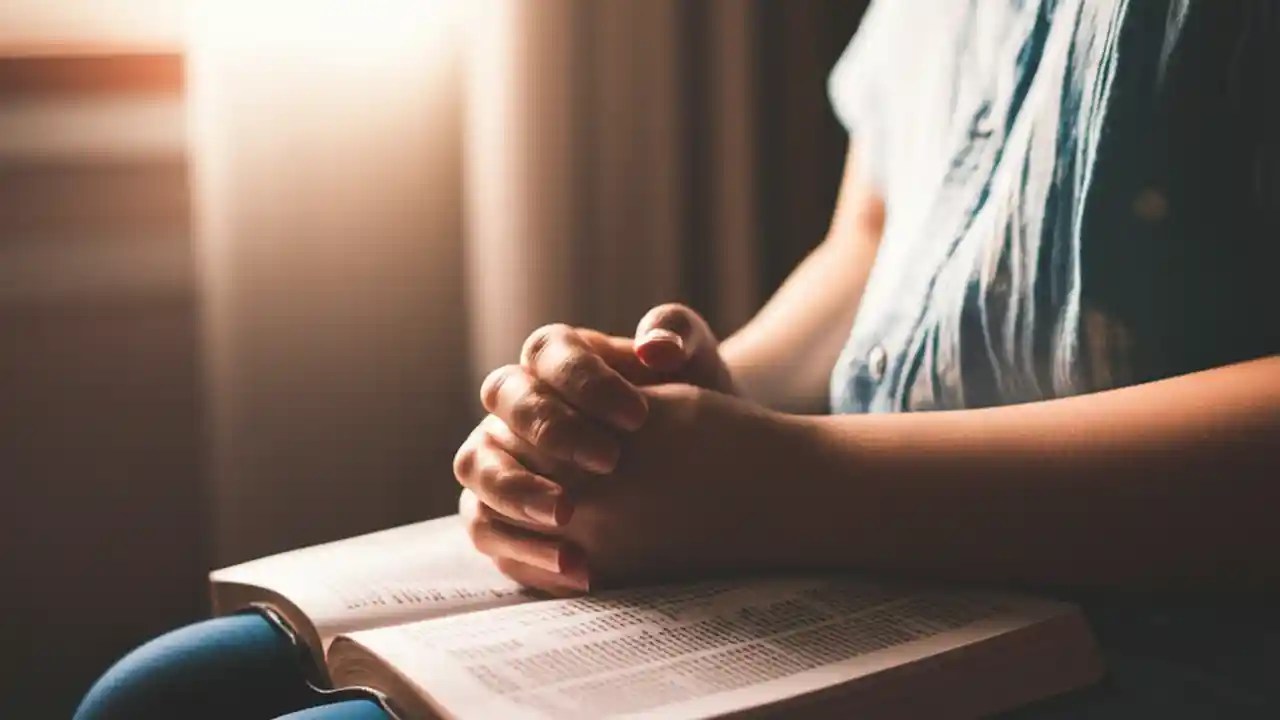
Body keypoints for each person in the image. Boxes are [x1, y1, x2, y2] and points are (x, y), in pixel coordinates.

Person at [77, 1, 1277, 718]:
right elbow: (874, 245)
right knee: (155, 698)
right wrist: (693, 400)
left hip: (1153, 624)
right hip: (873, 564)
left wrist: (783, 484)